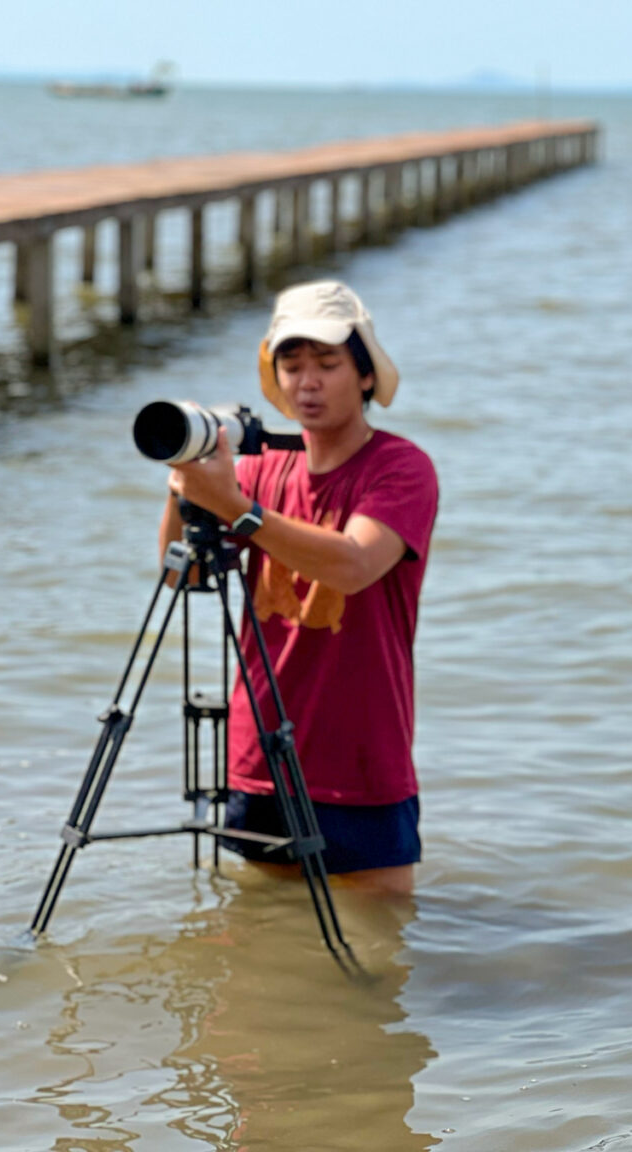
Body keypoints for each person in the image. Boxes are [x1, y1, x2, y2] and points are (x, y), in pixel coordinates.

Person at [159, 280, 438, 897]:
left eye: (327, 364)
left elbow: (352, 565)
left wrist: (235, 506)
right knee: (262, 945)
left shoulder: (400, 468)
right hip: (259, 757)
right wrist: (186, 487)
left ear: (365, 376)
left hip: (362, 762)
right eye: (292, 365)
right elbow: (185, 576)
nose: (307, 381)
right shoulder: (254, 471)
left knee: (377, 946)